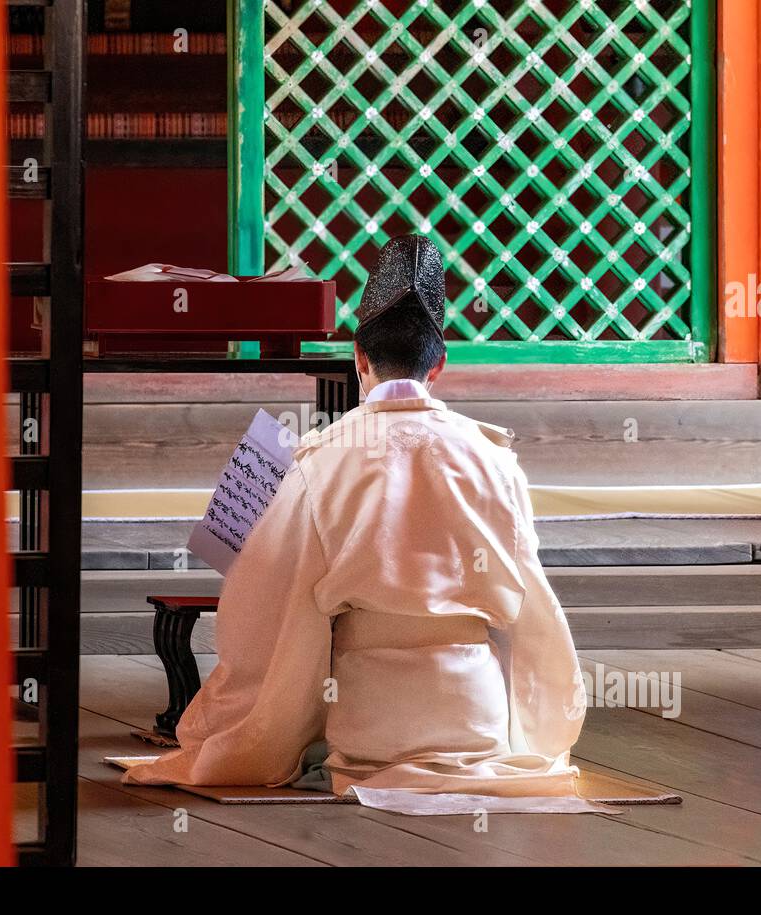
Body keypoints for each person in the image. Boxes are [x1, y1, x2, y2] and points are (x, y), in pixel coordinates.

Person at [124, 235, 604, 815]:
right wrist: (543, 724)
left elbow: (267, 609)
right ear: (441, 364)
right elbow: (531, 604)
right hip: (477, 717)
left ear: (358, 357)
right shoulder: (494, 458)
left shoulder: (323, 458)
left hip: (368, 721)